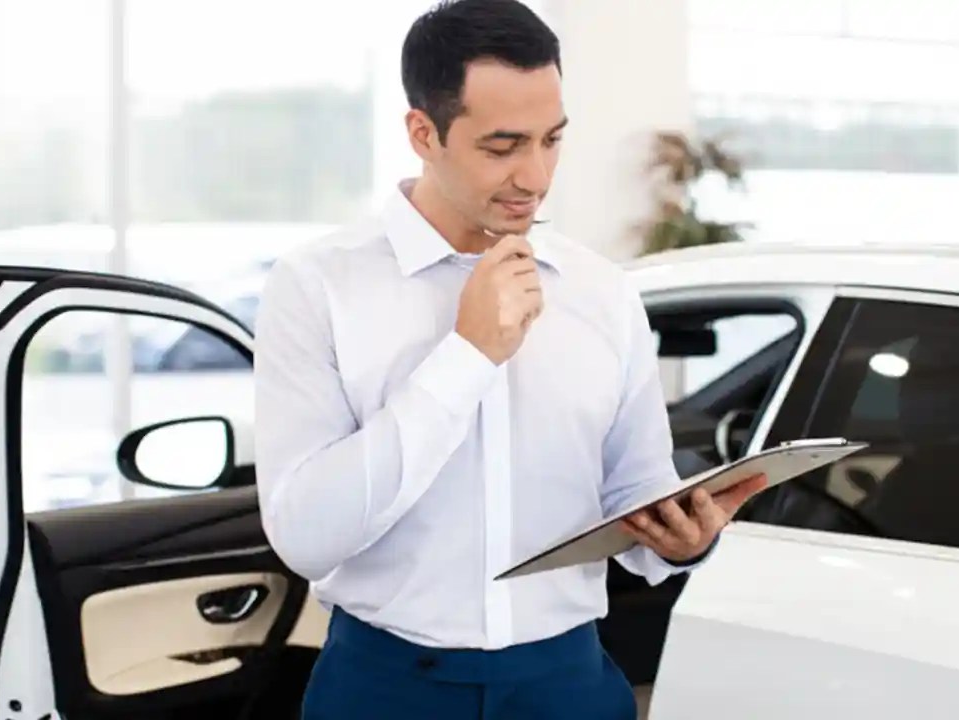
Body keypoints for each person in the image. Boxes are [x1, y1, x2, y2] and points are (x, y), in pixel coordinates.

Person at [252, 1, 765, 717]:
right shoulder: (317, 286)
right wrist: (467, 355)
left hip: (570, 683)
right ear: (423, 133)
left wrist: (682, 541)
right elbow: (304, 537)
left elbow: (633, 493)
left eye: (551, 139)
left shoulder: (603, 294)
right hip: (384, 687)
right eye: (502, 147)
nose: (536, 176)